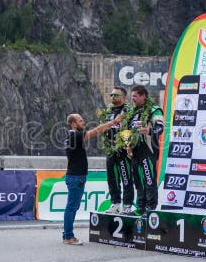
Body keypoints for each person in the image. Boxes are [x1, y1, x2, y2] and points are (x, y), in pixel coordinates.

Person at [62, 112, 124, 245]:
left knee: (72, 207)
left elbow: (69, 159)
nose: (83, 122)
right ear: (73, 124)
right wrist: (114, 122)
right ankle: (68, 236)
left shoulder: (69, 137)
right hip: (76, 177)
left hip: (73, 176)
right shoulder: (76, 135)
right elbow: (95, 131)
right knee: (71, 207)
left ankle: (66, 234)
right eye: (80, 120)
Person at [122, 85, 164, 216]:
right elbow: (126, 130)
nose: (132, 99)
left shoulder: (154, 110)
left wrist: (149, 130)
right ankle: (140, 208)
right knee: (139, 180)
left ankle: (150, 208)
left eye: (135, 96)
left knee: (149, 179)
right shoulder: (132, 112)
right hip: (134, 151)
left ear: (143, 96)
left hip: (148, 150)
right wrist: (127, 143)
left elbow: (160, 127)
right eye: (132, 96)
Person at [100, 87, 134, 214]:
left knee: (126, 178)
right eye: (111, 95)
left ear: (123, 97)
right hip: (110, 149)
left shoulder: (129, 111)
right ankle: (115, 204)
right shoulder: (108, 111)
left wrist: (129, 145)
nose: (112, 97)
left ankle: (127, 205)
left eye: (115, 95)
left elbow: (134, 129)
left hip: (123, 149)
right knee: (112, 178)